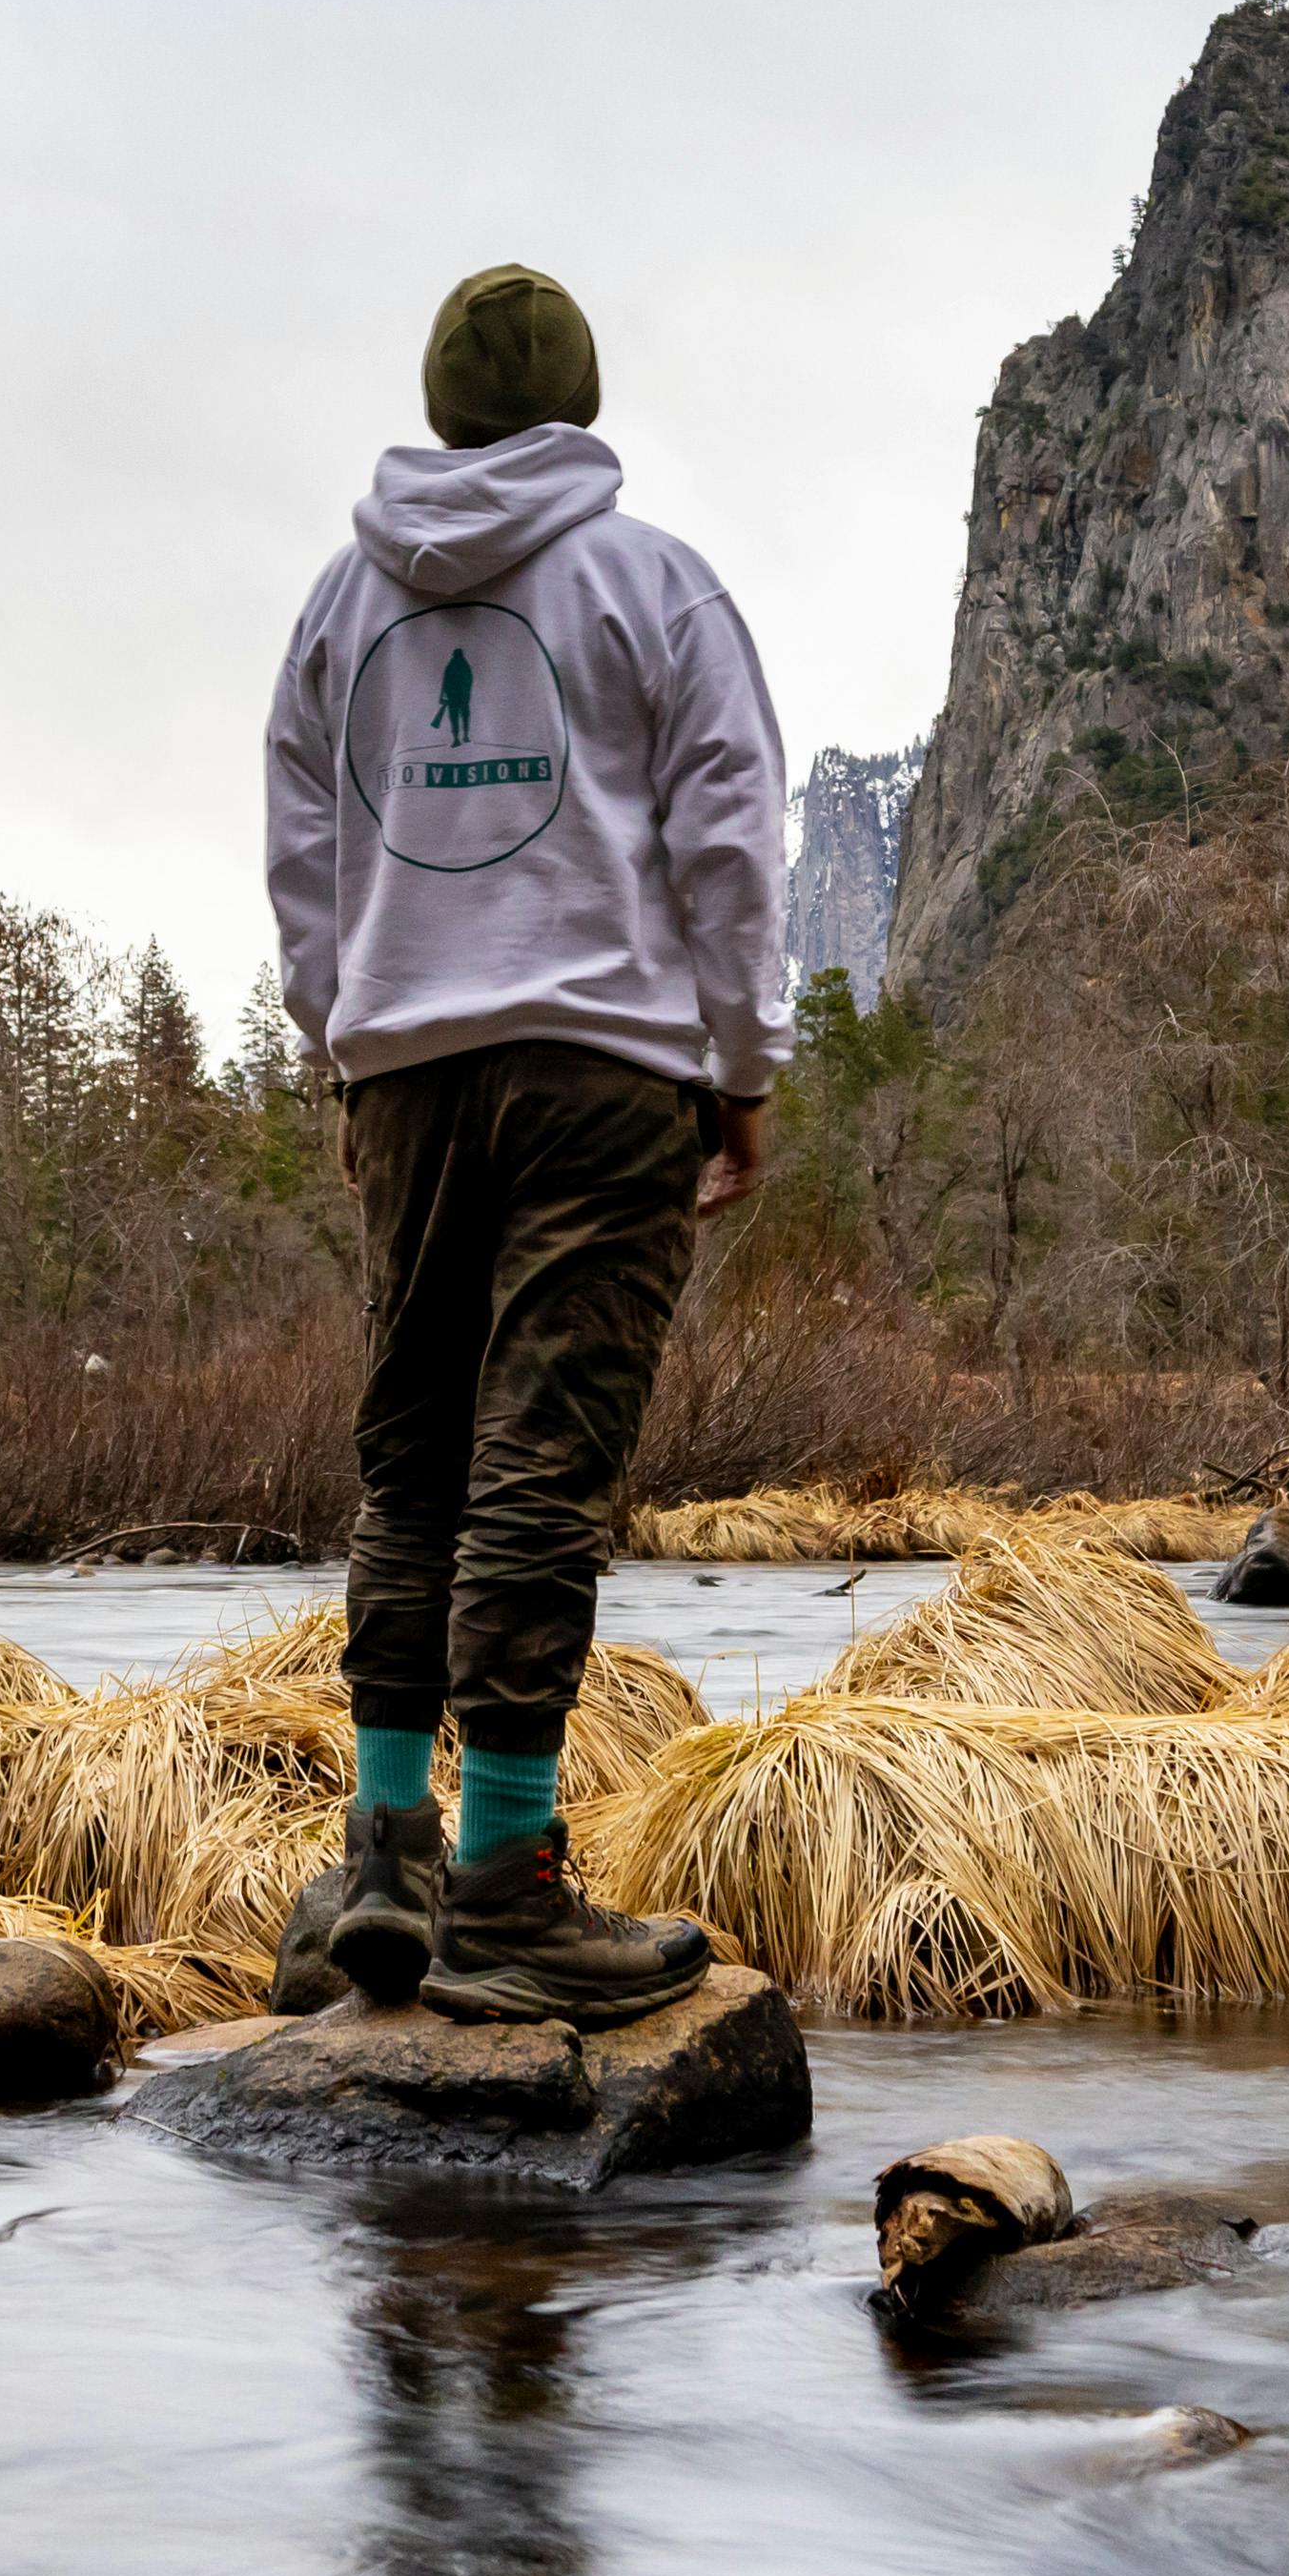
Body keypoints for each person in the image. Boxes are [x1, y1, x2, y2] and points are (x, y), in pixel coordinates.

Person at [255, 263, 790, 2025]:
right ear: (579, 401)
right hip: (600, 1071)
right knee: (535, 1470)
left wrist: (347, 1041)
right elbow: (729, 827)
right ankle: (505, 1883)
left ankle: (383, 1854)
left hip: (410, 1075)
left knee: (410, 1454)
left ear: (440, 406)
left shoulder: (347, 597)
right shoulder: (654, 582)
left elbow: (307, 838)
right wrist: (742, 1063)